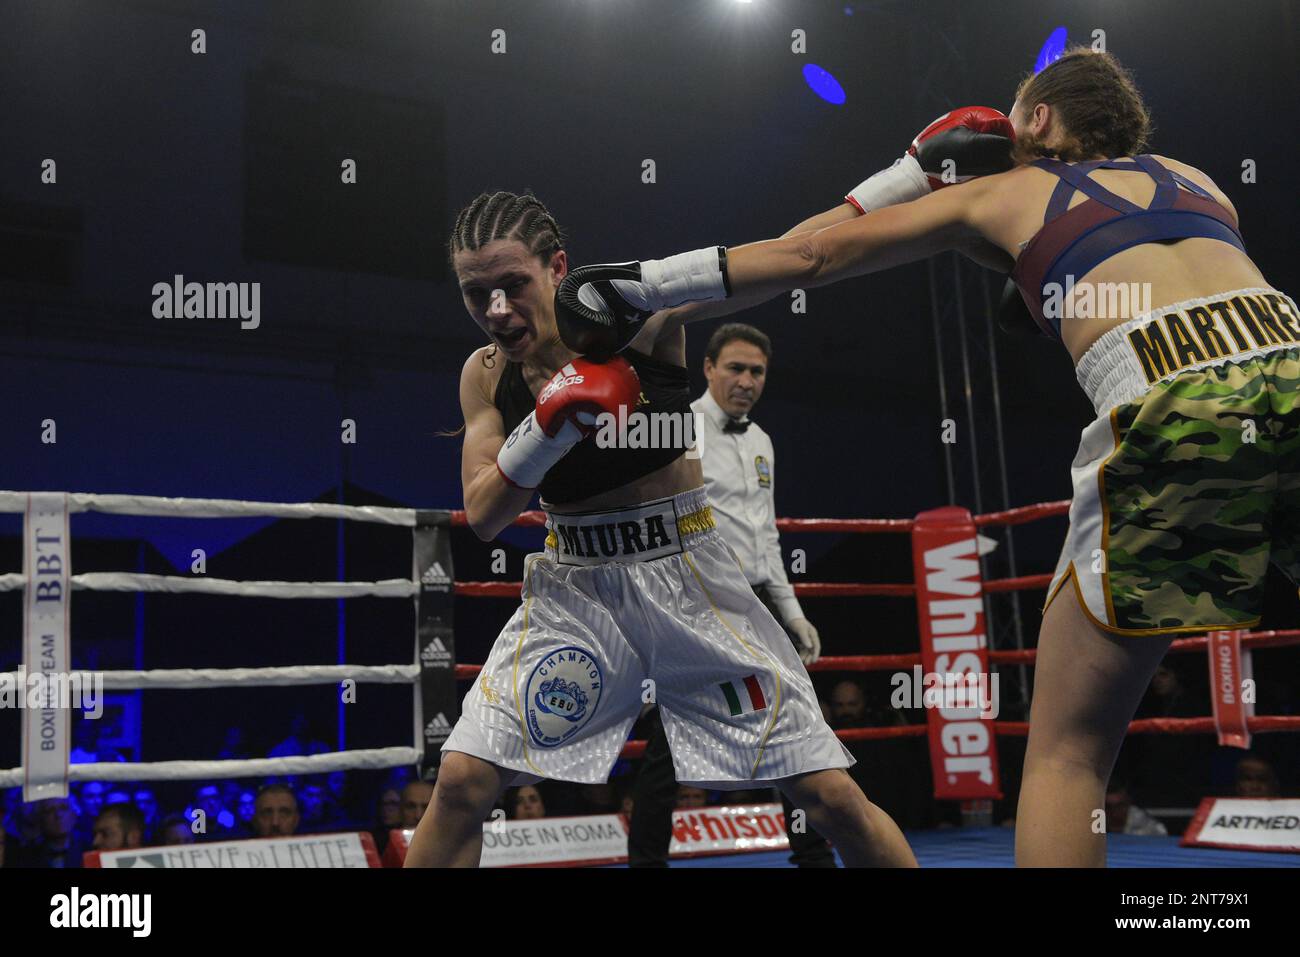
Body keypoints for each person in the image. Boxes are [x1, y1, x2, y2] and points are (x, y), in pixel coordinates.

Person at [558, 48, 1299, 867]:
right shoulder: (1202, 183)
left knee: (1068, 754)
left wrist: (642, 286)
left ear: (1040, 120)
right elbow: (1058, 270)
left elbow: (812, 254)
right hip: (1287, 364)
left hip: (1173, 396)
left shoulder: (1005, 190)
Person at [404, 186, 975, 868]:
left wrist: (908, 176)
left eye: (511, 284)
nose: (496, 311)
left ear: (557, 268)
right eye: (475, 293)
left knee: (829, 797)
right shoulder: (486, 373)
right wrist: (549, 424)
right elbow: (484, 513)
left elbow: (796, 253)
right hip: (577, 591)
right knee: (463, 782)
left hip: (690, 574)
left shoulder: (639, 307)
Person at [629, 322, 836, 868]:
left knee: (794, 729)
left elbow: (766, 535)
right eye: (735, 368)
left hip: (756, 605)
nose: (746, 381)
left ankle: (812, 855)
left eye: (757, 371)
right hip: (696, 605)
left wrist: (792, 611)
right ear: (708, 368)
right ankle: (646, 865)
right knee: (668, 746)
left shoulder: (763, 441)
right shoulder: (680, 426)